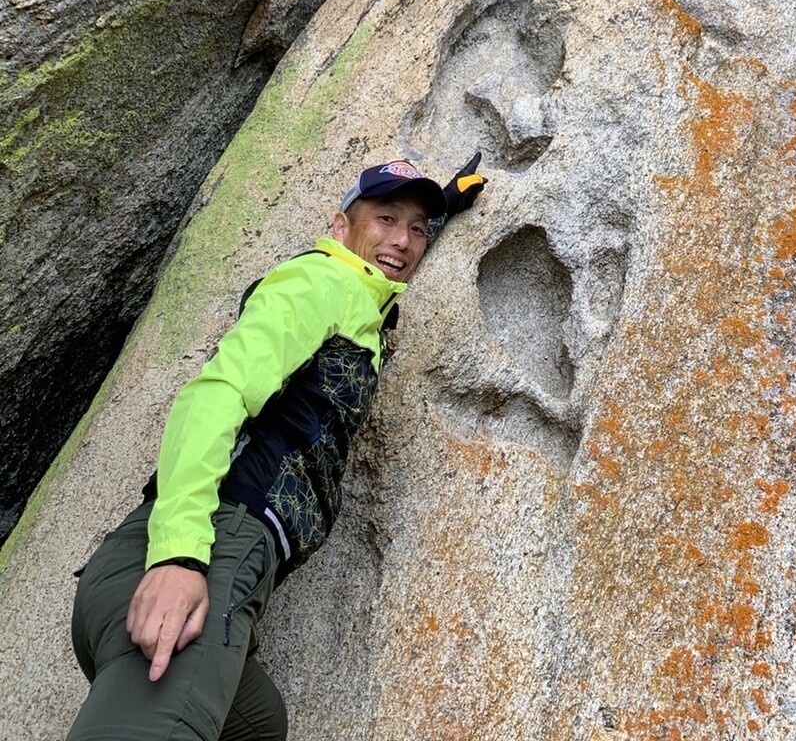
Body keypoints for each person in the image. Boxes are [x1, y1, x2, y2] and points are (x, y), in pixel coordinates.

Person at [66, 154, 485, 740]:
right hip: (206, 552)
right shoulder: (321, 280)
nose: (403, 240)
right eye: (386, 218)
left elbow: (390, 262)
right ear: (340, 227)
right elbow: (215, 395)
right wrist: (180, 557)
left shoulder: (364, 295)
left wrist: (444, 206)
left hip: (137, 578)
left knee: (257, 725)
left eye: (416, 228)